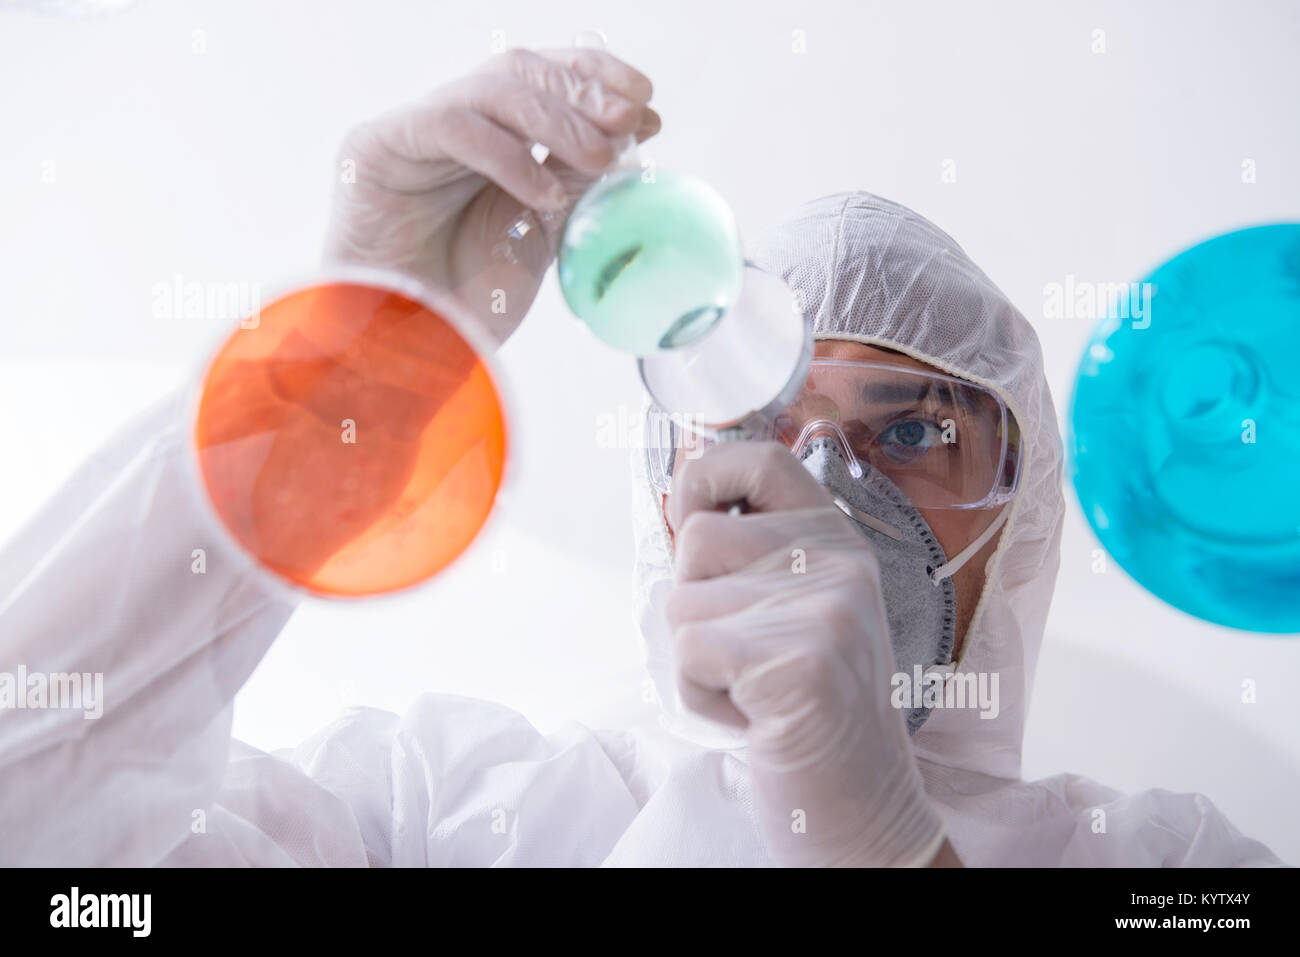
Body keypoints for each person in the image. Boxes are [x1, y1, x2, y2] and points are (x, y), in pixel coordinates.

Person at [0, 48, 1279, 867]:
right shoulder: (446, 813)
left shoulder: (1168, 872)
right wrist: (346, 370)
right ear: (667, 494)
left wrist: (885, 849)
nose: (828, 488)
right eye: (756, 423)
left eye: (909, 432)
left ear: (1026, 512)